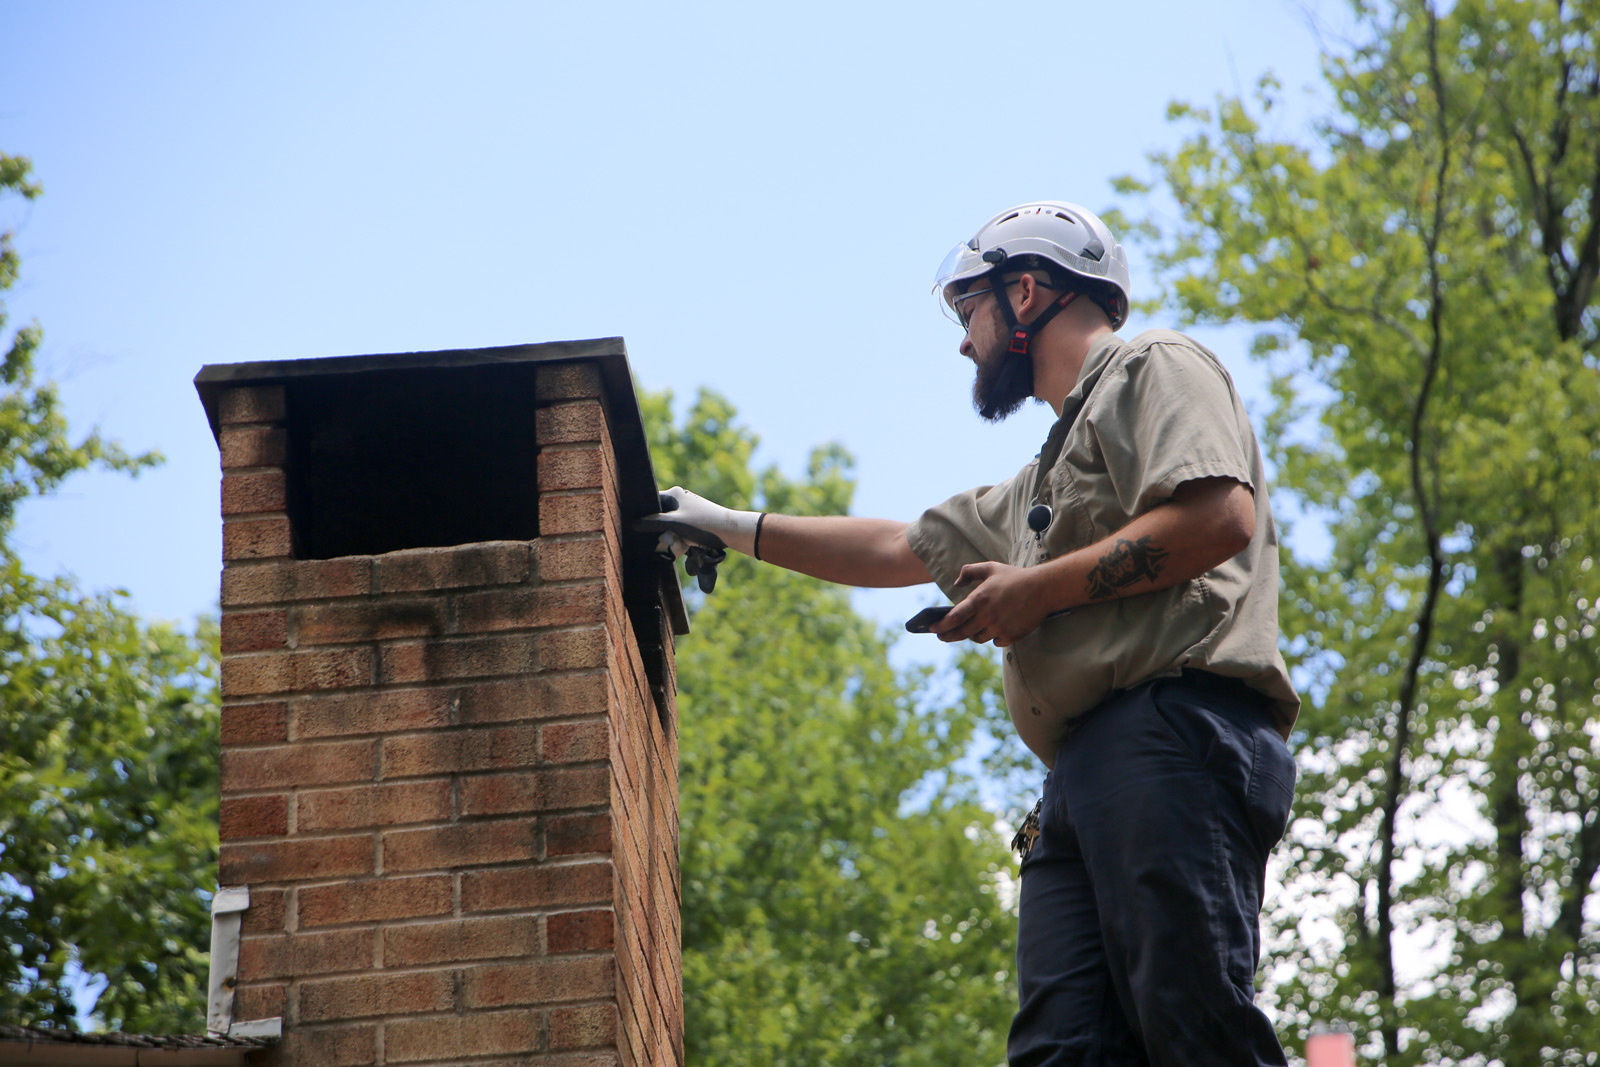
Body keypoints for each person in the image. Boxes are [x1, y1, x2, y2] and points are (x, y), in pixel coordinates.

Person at [641, 200, 1301, 1066]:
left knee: (1193, 1023)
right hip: (1080, 779)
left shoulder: (1156, 366)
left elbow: (1218, 517)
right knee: (1058, 1053)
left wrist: (1037, 591)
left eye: (968, 311)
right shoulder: (1040, 479)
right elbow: (898, 544)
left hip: (1173, 733)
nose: (963, 343)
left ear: (1026, 292)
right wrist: (726, 523)